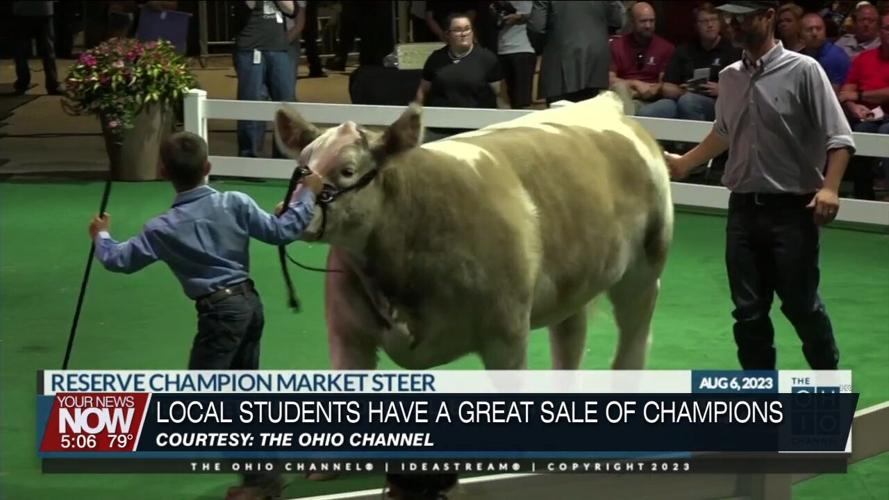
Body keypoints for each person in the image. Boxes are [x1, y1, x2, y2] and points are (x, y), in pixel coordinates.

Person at [88, 132, 324, 500]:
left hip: (218, 313)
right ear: (208, 167)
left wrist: (101, 236)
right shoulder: (235, 202)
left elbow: (119, 260)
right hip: (249, 304)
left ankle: (266, 477)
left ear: (163, 170)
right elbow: (282, 231)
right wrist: (307, 193)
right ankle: (270, 472)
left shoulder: (161, 228)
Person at [665, 1, 855, 371]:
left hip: (793, 211)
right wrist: (685, 163)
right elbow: (724, 131)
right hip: (743, 210)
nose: (733, 23)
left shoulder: (805, 71)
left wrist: (830, 188)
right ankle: (760, 404)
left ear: (768, 16)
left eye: (743, 16)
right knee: (748, 315)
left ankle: (827, 387)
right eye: (728, 16)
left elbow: (841, 137)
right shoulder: (732, 77)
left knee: (802, 307)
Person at [415, 13, 505, 141]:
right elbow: (423, 91)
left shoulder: (487, 59)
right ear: (447, 34)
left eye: (467, 29)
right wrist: (415, 118)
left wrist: (505, 125)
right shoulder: (436, 58)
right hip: (439, 130)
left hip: (475, 132)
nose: (464, 34)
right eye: (458, 30)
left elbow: (501, 96)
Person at [527, 0, 625, 106]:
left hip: (561, 60)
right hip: (596, 61)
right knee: (592, 115)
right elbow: (617, 20)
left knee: (558, 116)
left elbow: (536, 27)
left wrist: (543, 48)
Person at [233, 1, 297, 158]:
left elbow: (291, 9)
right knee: (252, 102)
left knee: (286, 102)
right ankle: (250, 158)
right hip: (251, 47)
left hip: (278, 47)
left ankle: (284, 157)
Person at [608, 1, 676, 115]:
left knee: (667, 105)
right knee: (620, 88)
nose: (648, 25)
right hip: (624, 96)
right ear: (632, 22)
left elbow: (663, 84)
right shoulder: (616, 45)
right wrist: (635, 83)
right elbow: (610, 80)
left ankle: (628, 125)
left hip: (652, 100)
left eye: (651, 21)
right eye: (643, 21)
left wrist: (646, 91)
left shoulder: (666, 48)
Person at [11, 0, 60, 95]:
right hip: (43, 9)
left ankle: (22, 83)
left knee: (21, 51)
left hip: (22, 10)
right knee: (48, 50)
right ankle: (52, 84)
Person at [494, 1, 536, 109]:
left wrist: (520, 17)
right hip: (502, 49)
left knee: (523, 100)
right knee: (505, 99)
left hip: (524, 49)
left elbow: (541, 16)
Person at [801, 12, 851, 90]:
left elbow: (832, 95)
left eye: (819, 29)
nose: (814, 33)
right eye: (809, 30)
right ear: (800, 35)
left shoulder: (835, 56)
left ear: (825, 31)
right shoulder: (801, 55)